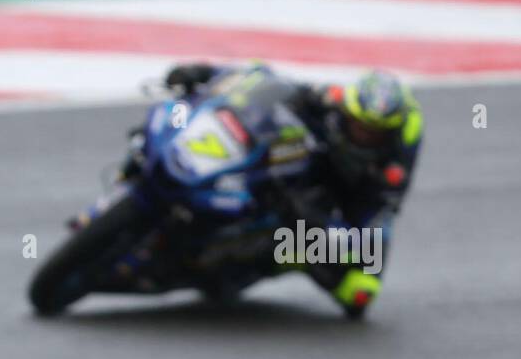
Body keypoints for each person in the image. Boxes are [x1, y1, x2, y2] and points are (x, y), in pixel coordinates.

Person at [164, 63, 423, 316]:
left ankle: (282, 258)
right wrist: (205, 73)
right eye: (359, 126)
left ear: (390, 134)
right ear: (346, 109)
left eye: (373, 134)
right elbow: (265, 82)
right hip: (309, 165)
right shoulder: (331, 99)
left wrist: (322, 225)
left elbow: (375, 221)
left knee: (359, 292)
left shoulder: (392, 167)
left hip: (349, 196)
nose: (364, 136)